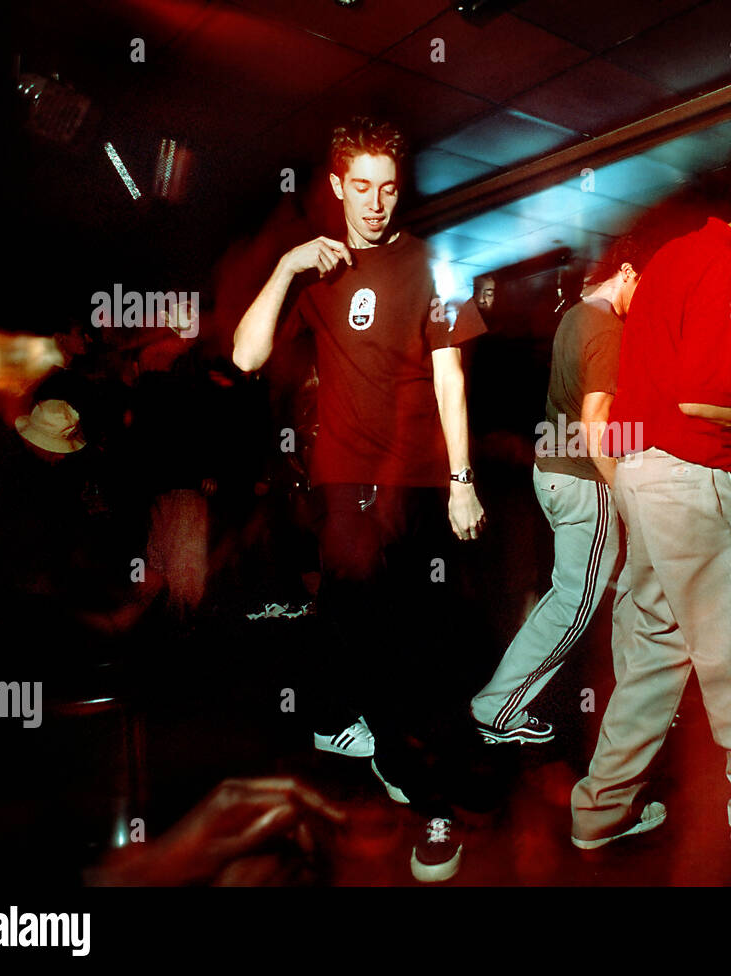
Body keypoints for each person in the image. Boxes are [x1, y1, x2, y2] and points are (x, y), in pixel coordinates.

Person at [231, 117, 486, 883]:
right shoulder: (316, 269)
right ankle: (368, 733)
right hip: (346, 487)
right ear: (337, 186)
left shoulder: (427, 262)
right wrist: (284, 268)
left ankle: (432, 801)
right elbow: (246, 356)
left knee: (421, 649)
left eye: (388, 188)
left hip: (414, 484)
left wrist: (465, 482)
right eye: (361, 187)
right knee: (357, 630)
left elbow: (451, 377)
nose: (376, 203)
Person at [569, 181, 731, 875]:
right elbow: (702, 398)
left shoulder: (672, 256)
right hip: (689, 481)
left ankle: (601, 809)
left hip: (640, 476)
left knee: (657, 653)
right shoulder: (729, 267)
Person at [470, 238, 648, 743]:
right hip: (583, 480)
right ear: (629, 272)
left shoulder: (574, 315)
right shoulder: (609, 327)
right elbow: (595, 425)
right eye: (649, 287)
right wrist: (628, 496)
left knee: (583, 592)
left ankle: (643, 696)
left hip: (553, 472)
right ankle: (496, 707)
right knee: (574, 603)